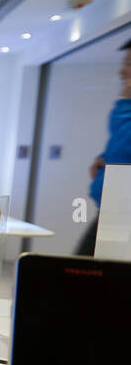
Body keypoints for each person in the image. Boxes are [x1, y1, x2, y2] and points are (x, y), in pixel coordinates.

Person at [78, 37, 131, 255]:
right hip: (116, 209)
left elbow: (123, 150)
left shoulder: (125, 109)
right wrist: (105, 156)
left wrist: (125, 103)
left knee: (88, 279)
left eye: (129, 64)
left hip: (123, 212)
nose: (122, 72)